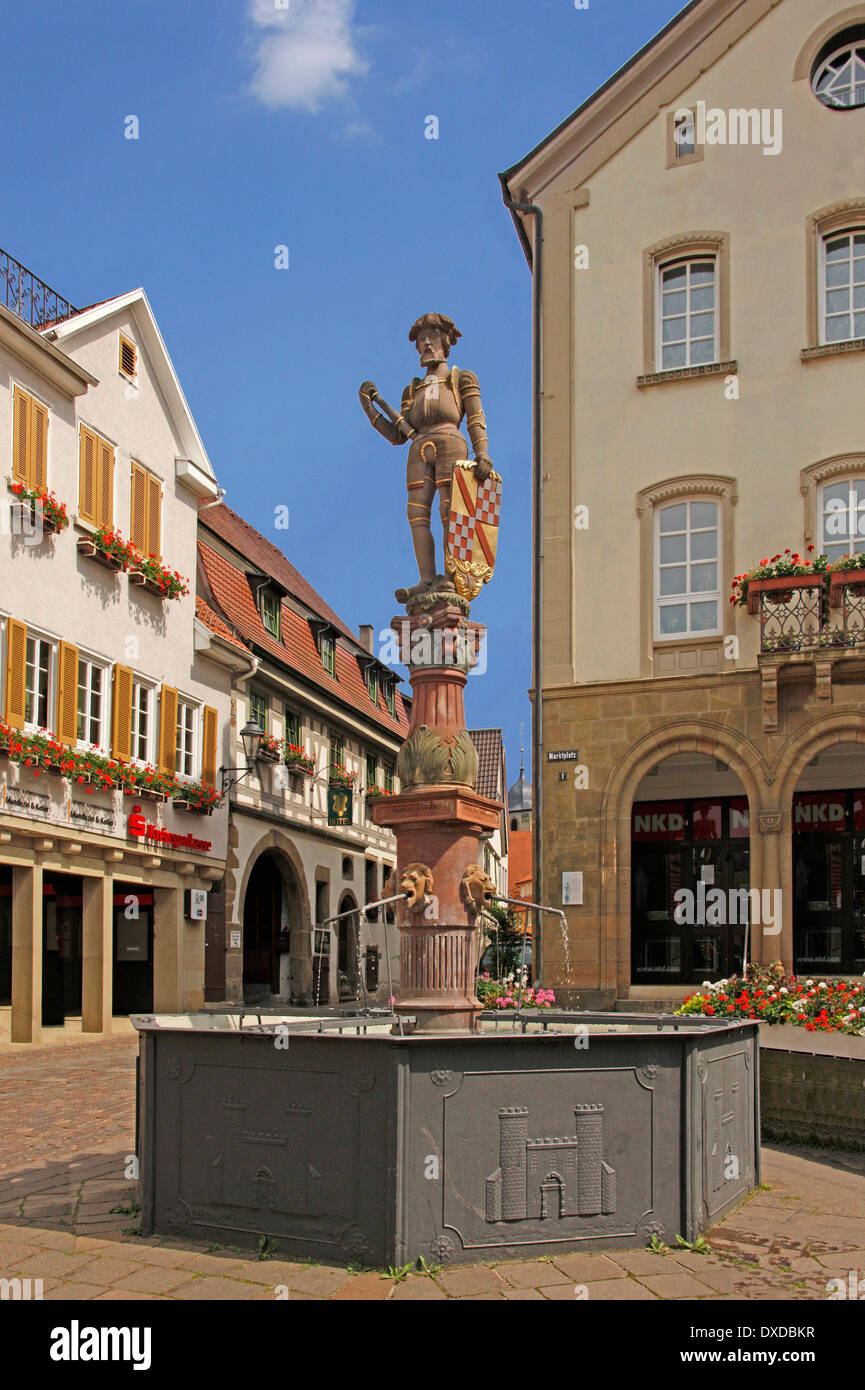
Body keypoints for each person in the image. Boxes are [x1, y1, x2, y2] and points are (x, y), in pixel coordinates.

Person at [359, 313, 494, 599]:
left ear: (445, 342)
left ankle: (450, 576)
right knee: (416, 514)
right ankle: (426, 578)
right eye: (421, 340)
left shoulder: (461, 379)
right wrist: (369, 407)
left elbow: (475, 418)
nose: (426, 344)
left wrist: (482, 452)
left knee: (451, 511)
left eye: (431, 338)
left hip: (450, 441)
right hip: (418, 447)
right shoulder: (412, 389)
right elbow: (397, 434)